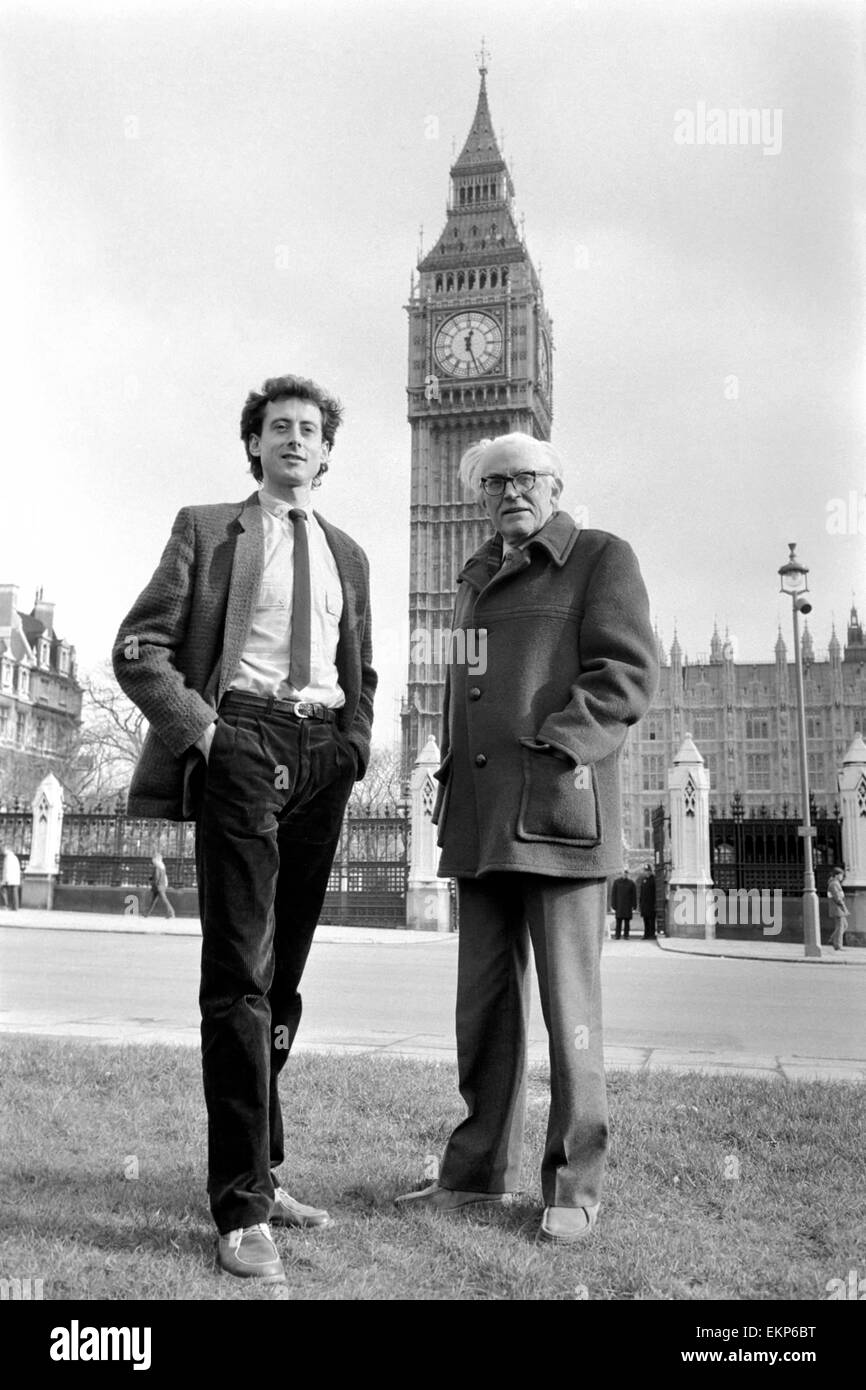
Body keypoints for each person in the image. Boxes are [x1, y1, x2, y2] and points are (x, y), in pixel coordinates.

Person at [113, 373, 376, 1282]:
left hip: (322, 756)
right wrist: (210, 735)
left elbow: (361, 668)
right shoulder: (206, 529)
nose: (296, 440)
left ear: (328, 452)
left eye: (310, 430)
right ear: (255, 446)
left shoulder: (350, 553)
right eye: (279, 429)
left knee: (286, 977)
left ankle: (264, 1172)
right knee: (239, 976)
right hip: (244, 740)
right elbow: (138, 648)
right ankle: (239, 1213)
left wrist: (354, 747)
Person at [396, 432, 658, 1243]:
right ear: (481, 495)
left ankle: (574, 1190)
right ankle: (476, 1176)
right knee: (483, 1009)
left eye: (528, 479)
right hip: (479, 821)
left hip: (557, 815)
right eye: (497, 482)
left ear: (556, 486)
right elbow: (459, 696)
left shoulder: (600, 557)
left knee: (570, 1012)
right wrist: (447, 779)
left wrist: (559, 749)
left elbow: (625, 674)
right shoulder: (472, 577)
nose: (513, 492)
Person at [145, 853, 175, 919]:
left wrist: (153, 883)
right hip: (161, 886)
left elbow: (156, 877)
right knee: (155, 901)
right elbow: (163, 876)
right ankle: (147, 914)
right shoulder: (162, 866)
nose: (152, 860)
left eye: (153, 859)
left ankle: (171, 913)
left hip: (158, 886)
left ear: (156, 859)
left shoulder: (157, 867)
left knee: (164, 900)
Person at [611, 868, 637, 940]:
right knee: (618, 922)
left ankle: (626, 935)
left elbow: (634, 895)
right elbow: (614, 894)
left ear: (628, 874)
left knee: (627, 922)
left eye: (626, 873)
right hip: (619, 905)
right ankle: (617, 935)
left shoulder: (631, 883)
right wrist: (613, 905)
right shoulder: (616, 882)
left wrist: (634, 905)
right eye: (624, 873)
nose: (625, 874)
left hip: (627, 906)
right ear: (621, 873)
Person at [827, 867, 848, 951]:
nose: (842, 877)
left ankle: (832, 939)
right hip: (837, 908)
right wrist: (843, 906)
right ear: (836, 875)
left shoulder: (835, 883)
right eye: (841, 875)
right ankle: (838, 945)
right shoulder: (834, 884)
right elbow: (837, 897)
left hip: (838, 907)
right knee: (840, 926)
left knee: (844, 925)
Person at [639, 863, 657, 939]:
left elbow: (655, 892)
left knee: (652, 920)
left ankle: (652, 934)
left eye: (648, 871)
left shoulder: (654, 880)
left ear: (650, 871)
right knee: (645, 920)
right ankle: (646, 934)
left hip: (651, 903)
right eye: (645, 871)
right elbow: (641, 892)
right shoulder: (643, 880)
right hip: (644, 904)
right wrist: (640, 903)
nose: (646, 872)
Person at [1, 845, 21, 910]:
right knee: (14, 893)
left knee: (4, 890)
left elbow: (7, 869)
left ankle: (6, 905)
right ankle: (14, 907)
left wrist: (5, 879)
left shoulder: (8, 858)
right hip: (14, 878)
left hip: (9, 878)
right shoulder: (14, 857)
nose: (3, 851)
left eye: (4, 849)